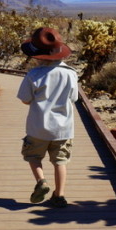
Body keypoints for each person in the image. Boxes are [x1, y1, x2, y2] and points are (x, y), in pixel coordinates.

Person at [17, 27, 79, 208]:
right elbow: (73, 98)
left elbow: (25, 99)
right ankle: (59, 195)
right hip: (64, 129)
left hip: (38, 127)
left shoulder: (33, 75)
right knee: (60, 161)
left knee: (33, 156)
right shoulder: (71, 73)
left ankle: (41, 181)